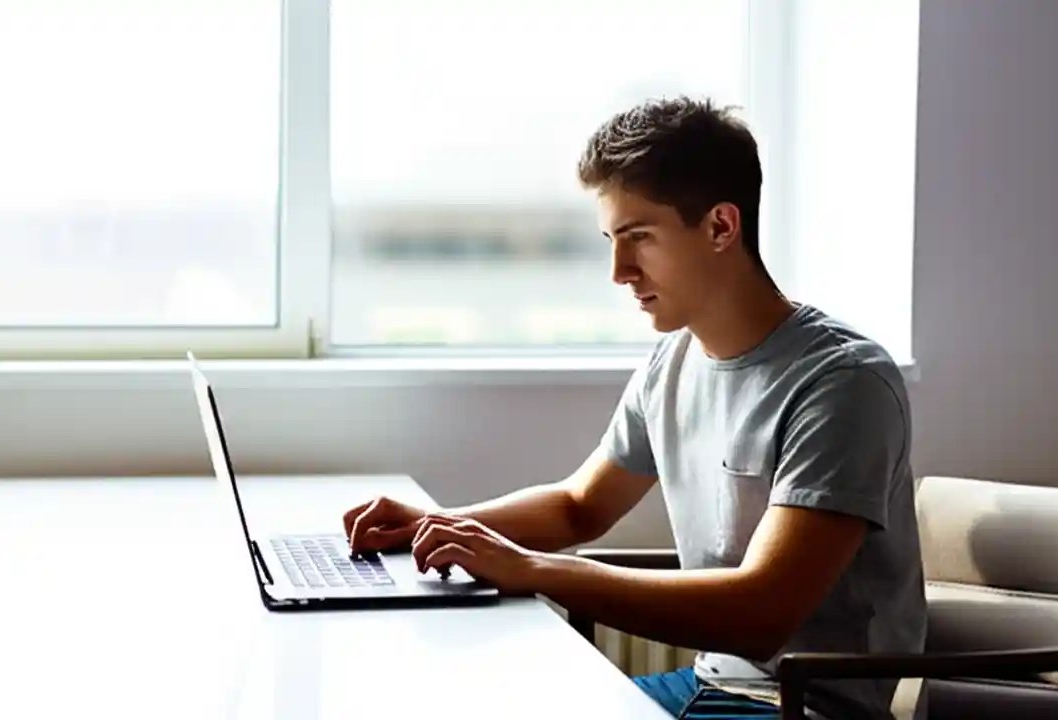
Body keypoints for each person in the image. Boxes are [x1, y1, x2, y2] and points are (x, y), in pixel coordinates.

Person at [342, 96, 925, 720]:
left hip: (806, 708)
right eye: (610, 240)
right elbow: (579, 507)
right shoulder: (671, 362)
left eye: (638, 238)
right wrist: (439, 524)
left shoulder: (842, 383)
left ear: (722, 227)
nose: (619, 271)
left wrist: (532, 570)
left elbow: (762, 614)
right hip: (709, 685)